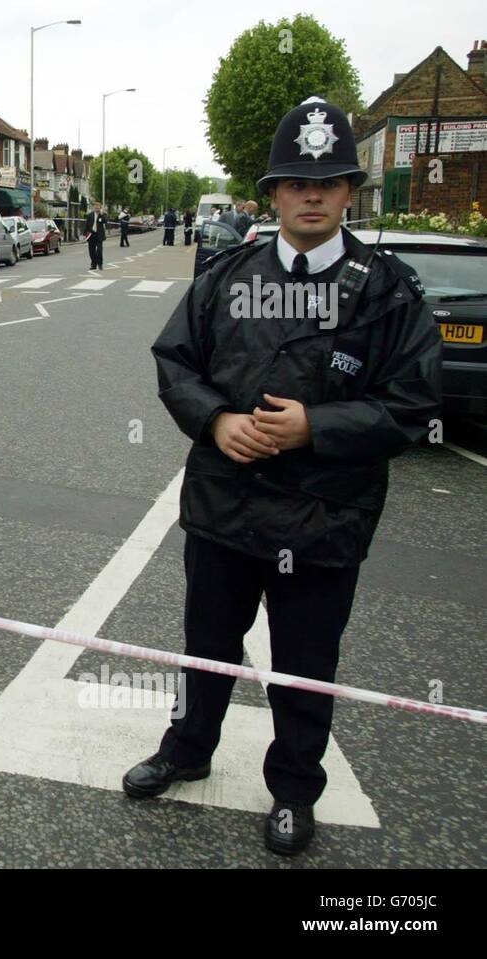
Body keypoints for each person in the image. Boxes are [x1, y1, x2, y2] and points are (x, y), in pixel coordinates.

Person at [127, 98, 442, 856]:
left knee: (305, 663)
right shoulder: (228, 274)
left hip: (324, 516)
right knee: (207, 642)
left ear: (348, 194)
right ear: (273, 192)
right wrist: (214, 420)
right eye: (297, 182)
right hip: (224, 508)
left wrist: (317, 427)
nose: (312, 194)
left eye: (329, 182)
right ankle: (189, 747)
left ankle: (295, 789)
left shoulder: (387, 291)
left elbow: (414, 403)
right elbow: (176, 362)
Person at [84, 201, 107, 269]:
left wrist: (102, 214)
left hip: (99, 235)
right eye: (95, 207)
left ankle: (100, 264)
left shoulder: (102, 214)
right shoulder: (90, 215)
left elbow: (105, 221)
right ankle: (93, 264)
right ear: (93, 207)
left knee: (99, 250)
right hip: (91, 234)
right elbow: (86, 225)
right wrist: (84, 233)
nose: (96, 208)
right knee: (92, 251)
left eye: (98, 207)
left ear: (100, 208)